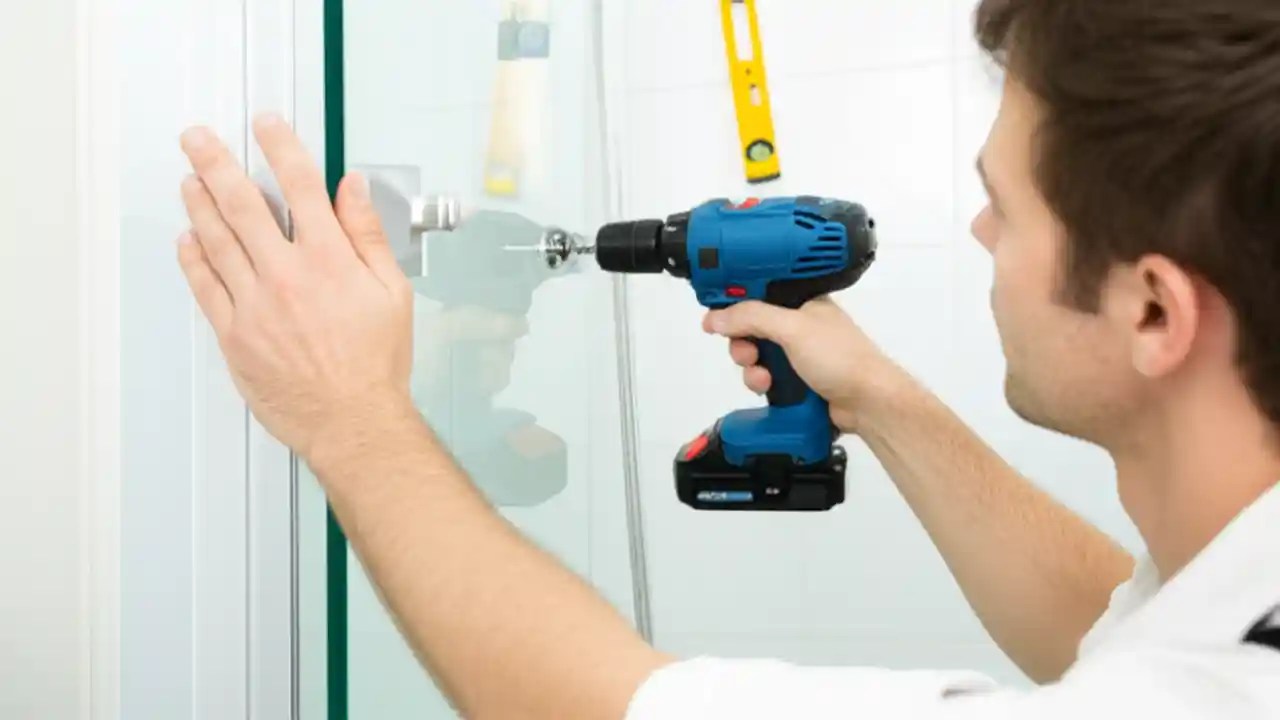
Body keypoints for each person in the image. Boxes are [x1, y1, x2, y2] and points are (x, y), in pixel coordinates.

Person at [173, 0, 1280, 717]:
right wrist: (881, 400)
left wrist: (349, 413)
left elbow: (599, 707)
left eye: (1002, 207)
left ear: (1150, 313)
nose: (980, 234)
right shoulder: (1233, 593)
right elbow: (1101, 624)